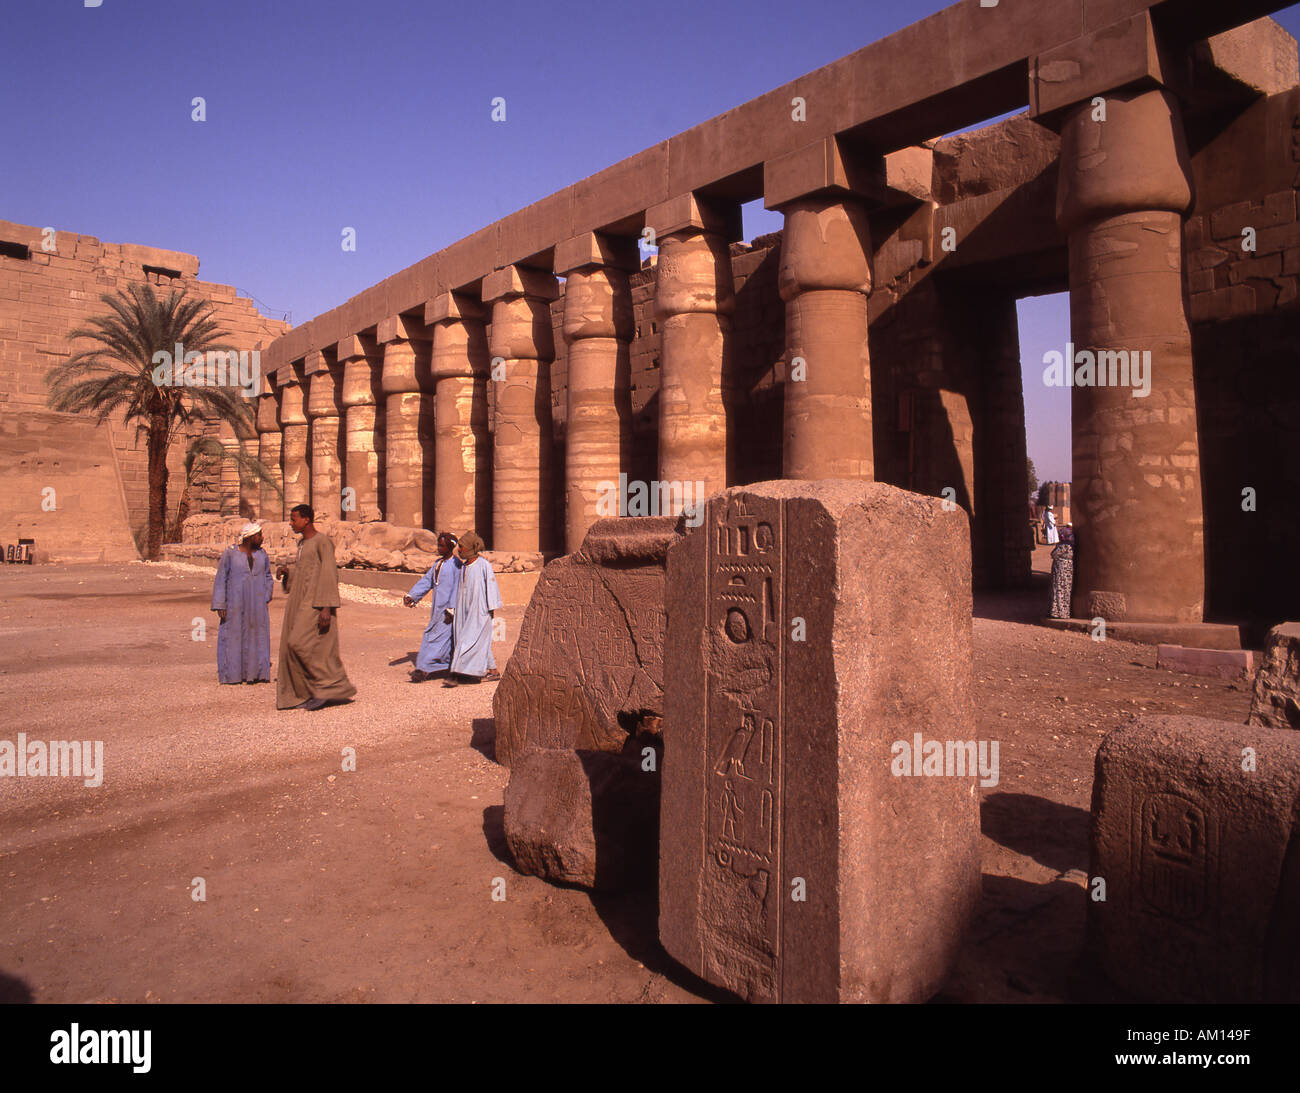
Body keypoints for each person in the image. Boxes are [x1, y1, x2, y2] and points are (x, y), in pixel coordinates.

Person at [275, 504, 357, 711]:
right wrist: (289, 572)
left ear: (306, 520)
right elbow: (306, 571)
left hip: (316, 602)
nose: (291, 523)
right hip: (299, 600)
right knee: (291, 644)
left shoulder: (322, 542)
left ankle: (326, 688)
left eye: (294, 519)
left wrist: (326, 607)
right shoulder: (303, 543)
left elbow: (329, 573)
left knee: (298, 643)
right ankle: (301, 693)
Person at [211, 522, 274, 684]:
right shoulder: (230, 554)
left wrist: (265, 596)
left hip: (257, 606)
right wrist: (220, 604)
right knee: (234, 636)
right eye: (259, 535)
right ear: (251, 537)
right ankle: (232, 675)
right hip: (235, 604)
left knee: (257, 636)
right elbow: (221, 579)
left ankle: (257, 673)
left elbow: (268, 576)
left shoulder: (262, 555)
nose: (262, 538)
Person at [443, 530, 502, 688]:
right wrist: (453, 610)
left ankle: (454, 674)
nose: (459, 550)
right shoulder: (464, 566)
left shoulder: (483, 565)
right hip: (463, 611)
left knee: (467, 641)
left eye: (461, 547)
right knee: (478, 641)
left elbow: (491, 586)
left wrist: (490, 609)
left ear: (469, 547)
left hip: (480, 611)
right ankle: (492, 670)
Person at [403, 532, 462, 681]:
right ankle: (445, 667)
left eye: (441, 545)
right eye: (438, 545)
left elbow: (458, 589)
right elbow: (427, 581)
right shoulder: (438, 564)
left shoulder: (457, 566)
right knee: (441, 640)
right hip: (437, 609)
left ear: (450, 547)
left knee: (432, 637)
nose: (438, 548)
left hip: (448, 611)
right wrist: (412, 596)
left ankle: (423, 669)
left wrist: (452, 609)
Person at [1050, 525, 1074, 620]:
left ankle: (1057, 612)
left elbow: (1053, 554)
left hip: (1060, 570)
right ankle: (1065, 613)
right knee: (1066, 591)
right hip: (1068, 570)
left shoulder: (1063, 546)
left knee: (1058, 589)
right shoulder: (1071, 546)